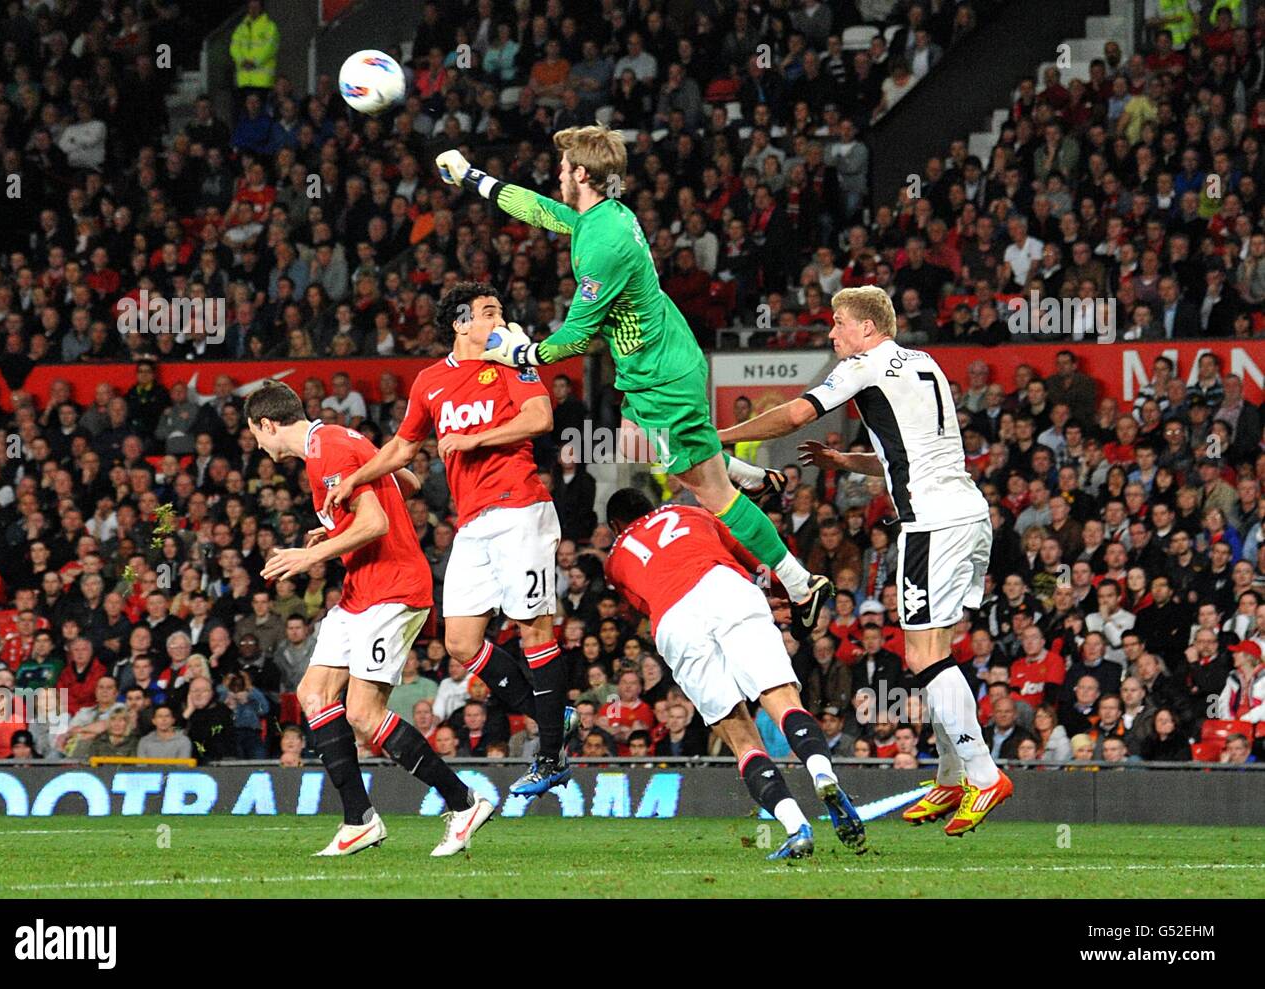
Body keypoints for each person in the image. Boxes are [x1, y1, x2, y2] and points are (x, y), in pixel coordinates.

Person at [434, 127, 829, 634]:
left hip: (663, 375)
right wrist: (472, 177)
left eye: (562, 168)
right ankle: (755, 477)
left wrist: (522, 351)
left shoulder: (604, 244)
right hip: (652, 363)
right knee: (635, 442)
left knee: (713, 495)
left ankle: (800, 584)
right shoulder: (607, 214)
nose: (555, 175)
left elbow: (576, 338)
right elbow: (541, 211)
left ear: (580, 173)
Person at [717, 285, 1012, 835]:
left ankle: (984, 773)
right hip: (968, 513)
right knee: (936, 652)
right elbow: (906, 455)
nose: (832, 334)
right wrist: (843, 460)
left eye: (838, 323)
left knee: (923, 657)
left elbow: (793, 415)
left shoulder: (864, 365)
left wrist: (720, 437)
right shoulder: (924, 363)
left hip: (933, 523)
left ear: (868, 329)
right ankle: (952, 776)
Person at [322, 283, 575, 795]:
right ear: (460, 324)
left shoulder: (513, 361)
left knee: (533, 627)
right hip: (473, 522)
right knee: (459, 641)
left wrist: (475, 438)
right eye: (487, 312)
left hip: (521, 507)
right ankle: (550, 714)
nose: (499, 319)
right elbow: (401, 445)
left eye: (501, 311)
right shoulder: (430, 382)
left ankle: (549, 754)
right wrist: (354, 479)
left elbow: (540, 418)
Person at [245, 381, 493, 858]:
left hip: (393, 589)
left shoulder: (326, 453)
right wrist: (337, 528)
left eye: (257, 434)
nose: (258, 445)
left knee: (363, 713)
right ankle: (359, 820)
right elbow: (409, 483)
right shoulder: (341, 438)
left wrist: (305, 556)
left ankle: (463, 802)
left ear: (269, 424)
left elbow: (376, 524)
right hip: (362, 589)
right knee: (313, 694)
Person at [604, 487, 867, 859]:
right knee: (779, 698)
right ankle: (823, 773)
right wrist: (785, 592)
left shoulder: (614, 559)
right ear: (654, 506)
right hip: (724, 586)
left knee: (741, 738)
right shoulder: (691, 512)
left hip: (673, 618)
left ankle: (797, 828)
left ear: (617, 525)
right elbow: (752, 556)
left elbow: (644, 604)